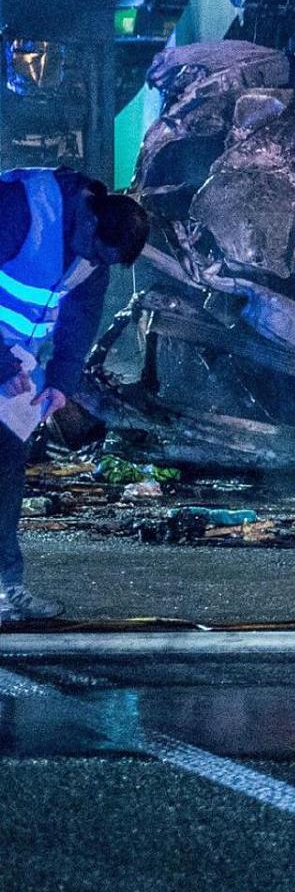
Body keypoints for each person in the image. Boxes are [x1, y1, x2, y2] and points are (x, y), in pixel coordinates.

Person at [0, 169, 149, 623]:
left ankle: (7, 589)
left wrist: (60, 383)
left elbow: (79, 319)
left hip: (13, 361)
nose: (94, 265)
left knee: (6, 466)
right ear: (88, 221)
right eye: (96, 253)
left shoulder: (95, 256)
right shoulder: (19, 207)